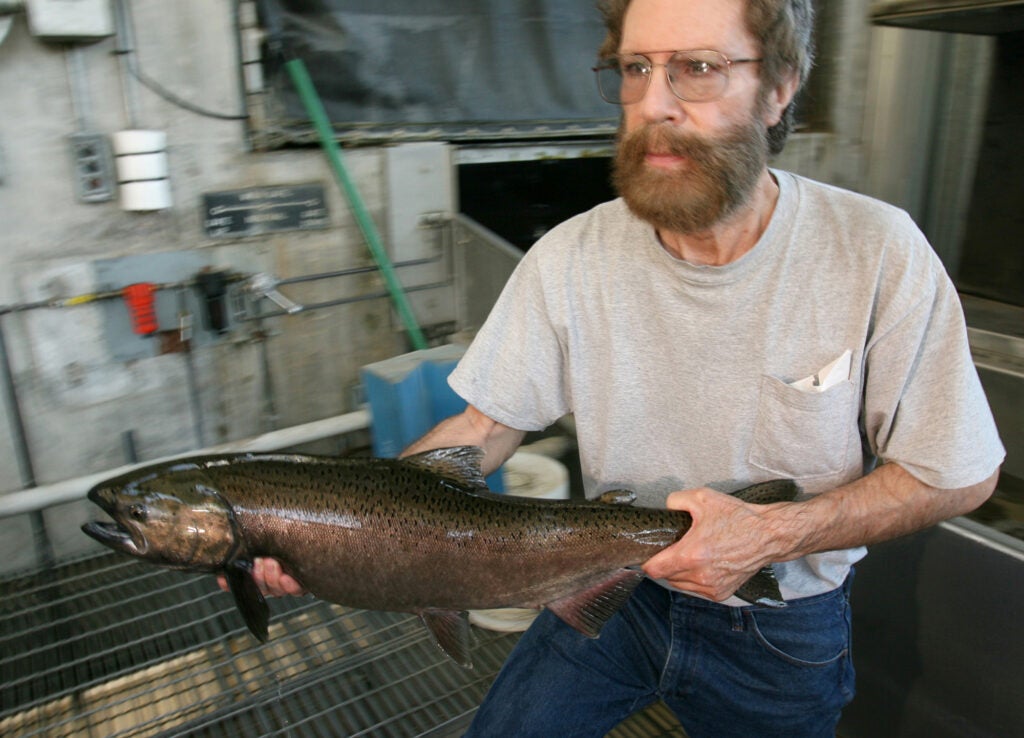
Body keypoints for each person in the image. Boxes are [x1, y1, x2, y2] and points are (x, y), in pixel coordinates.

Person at [242, 0, 1005, 735]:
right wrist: (336, 536)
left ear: (778, 89)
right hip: (603, 585)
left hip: (776, 627)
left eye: (697, 68)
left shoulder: (874, 252)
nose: (653, 104)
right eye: (635, 68)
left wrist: (771, 534)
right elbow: (482, 425)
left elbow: (959, 473)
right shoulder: (572, 255)